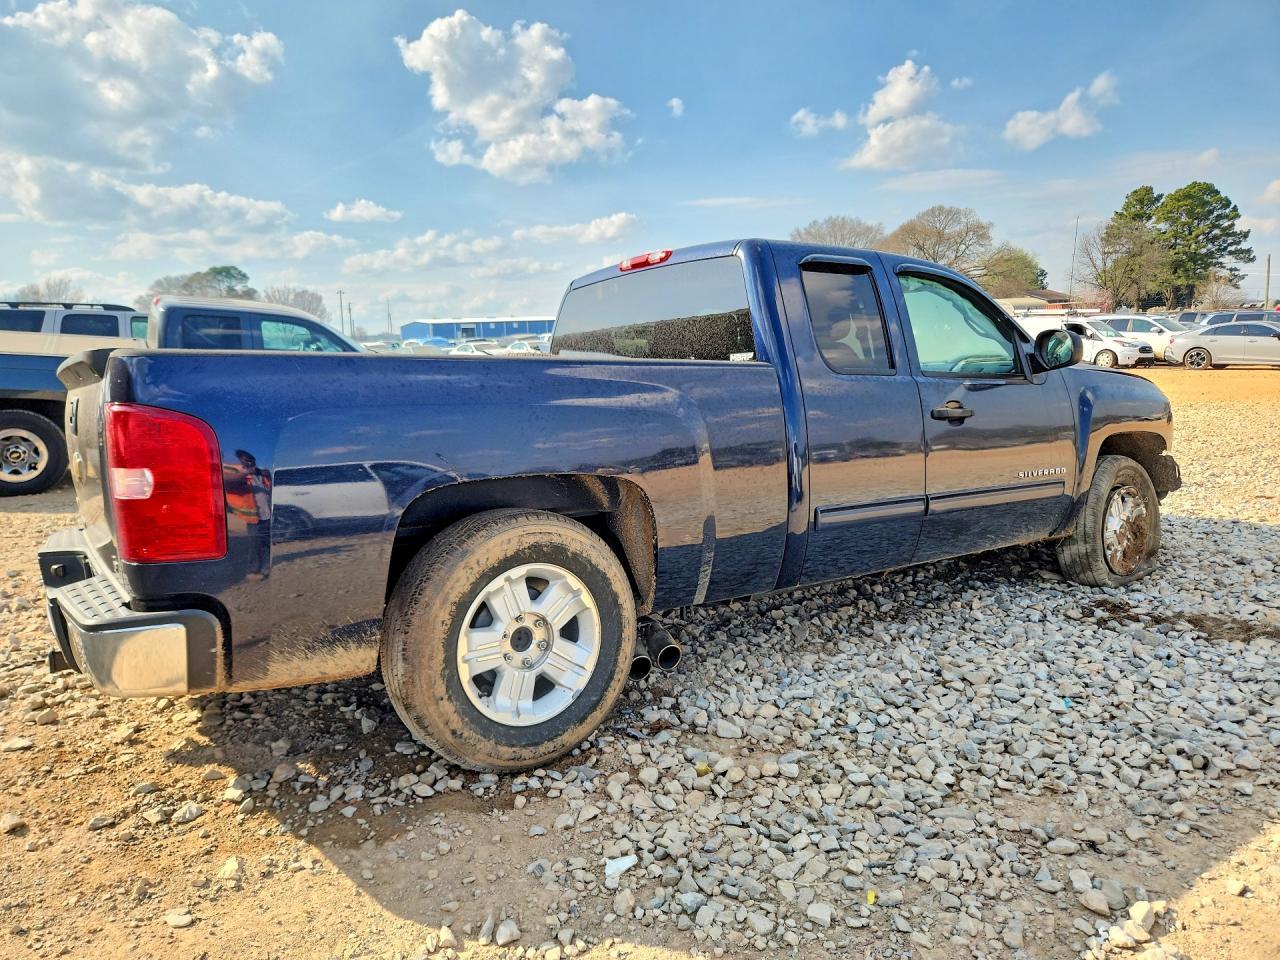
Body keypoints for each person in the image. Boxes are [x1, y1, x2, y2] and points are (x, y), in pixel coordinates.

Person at [226, 449, 271, 580]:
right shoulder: (239, 475)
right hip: (253, 518)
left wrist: (267, 475)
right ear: (240, 461)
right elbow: (225, 480)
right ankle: (253, 571)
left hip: (267, 515)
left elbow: (268, 491)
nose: (249, 462)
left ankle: (266, 567)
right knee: (254, 544)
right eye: (245, 460)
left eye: (251, 460)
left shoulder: (261, 475)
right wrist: (247, 472)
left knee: (266, 543)